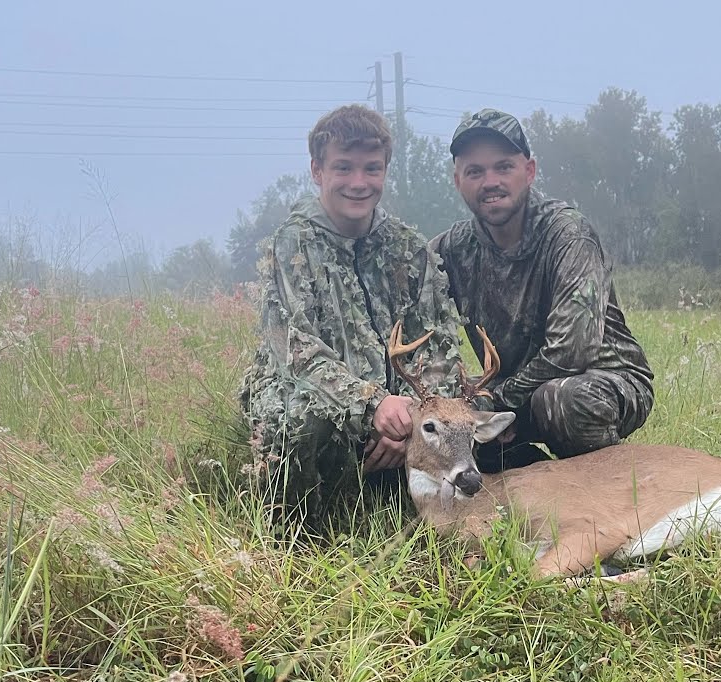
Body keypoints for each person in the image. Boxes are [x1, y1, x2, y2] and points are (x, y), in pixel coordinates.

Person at [240, 104, 463, 530]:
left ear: (384, 172)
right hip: (318, 397)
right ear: (317, 170)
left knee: (466, 423)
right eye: (343, 167)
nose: (358, 183)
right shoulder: (293, 244)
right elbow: (296, 352)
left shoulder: (407, 247)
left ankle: (411, 514)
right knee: (293, 423)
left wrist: (413, 417)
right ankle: (295, 537)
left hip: (400, 412)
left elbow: (440, 347)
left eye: (371, 169)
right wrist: (373, 405)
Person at [430, 108, 654, 472]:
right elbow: (407, 295)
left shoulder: (568, 235)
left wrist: (494, 404)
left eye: (503, 167)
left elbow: (572, 352)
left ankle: (603, 491)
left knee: (564, 401)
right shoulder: (451, 249)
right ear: (458, 181)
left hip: (600, 381)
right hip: (515, 392)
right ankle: (524, 468)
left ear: (529, 172)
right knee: (440, 416)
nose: (490, 181)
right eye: (475, 171)